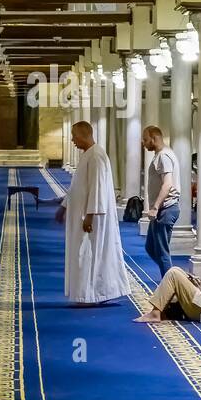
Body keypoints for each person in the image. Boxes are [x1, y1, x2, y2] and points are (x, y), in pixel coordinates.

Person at [55, 120, 126, 305]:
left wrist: (90, 215)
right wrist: (64, 206)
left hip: (92, 218)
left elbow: (97, 188)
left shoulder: (96, 156)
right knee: (84, 254)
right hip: (83, 214)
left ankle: (92, 293)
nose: (72, 140)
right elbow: (78, 187)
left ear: (84, 134)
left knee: (89, 255)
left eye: (74, 136)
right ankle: (87, 293)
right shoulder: (88, 155)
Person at [135, 239, 201, 324]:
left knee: (173, 273)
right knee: (178, 270)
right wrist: (200, 284)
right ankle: (162, 310)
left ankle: (155, 313)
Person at [141, 125, 181, 277]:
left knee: (162, 253)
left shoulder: (164, 156)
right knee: (151, 248)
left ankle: (172, 289)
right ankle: (174, 278)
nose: (143, 143)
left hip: (165, 209)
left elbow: (167, 184)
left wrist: (155, 207)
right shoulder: (161, 155)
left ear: (154, 138)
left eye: (145, 140)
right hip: (162, 210)